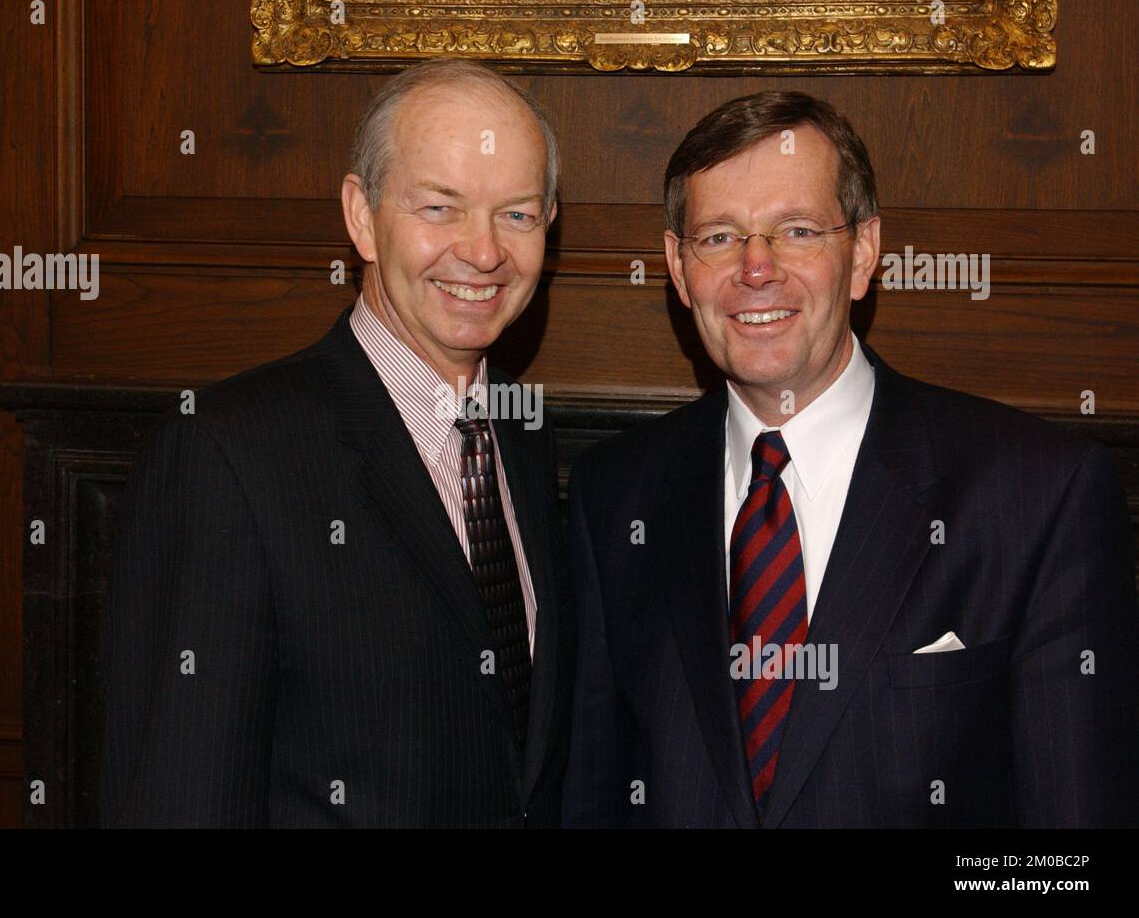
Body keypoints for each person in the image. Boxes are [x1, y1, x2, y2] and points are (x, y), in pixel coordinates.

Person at [562, 90, 1139, 828]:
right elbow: (590, 801)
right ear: (677, 267)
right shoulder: (616, 496)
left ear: (863, 253)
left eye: (796, 230)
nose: (756, 268)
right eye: (719, 237)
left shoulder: (1036, 494)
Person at [101, 58, 572, 827]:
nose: (483, 252)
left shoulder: (521, 432)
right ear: (361, 215)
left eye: (516, 214)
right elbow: (177, 796)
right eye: (440, 208)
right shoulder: (227, 453)